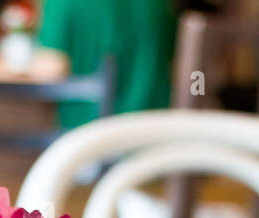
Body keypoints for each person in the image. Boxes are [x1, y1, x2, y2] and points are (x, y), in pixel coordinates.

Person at [35, 0, 180, 127]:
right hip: (154, 132)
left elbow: (51, 70)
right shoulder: (162, 3)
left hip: (87, 138)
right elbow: (176, 64)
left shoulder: (61, 2)